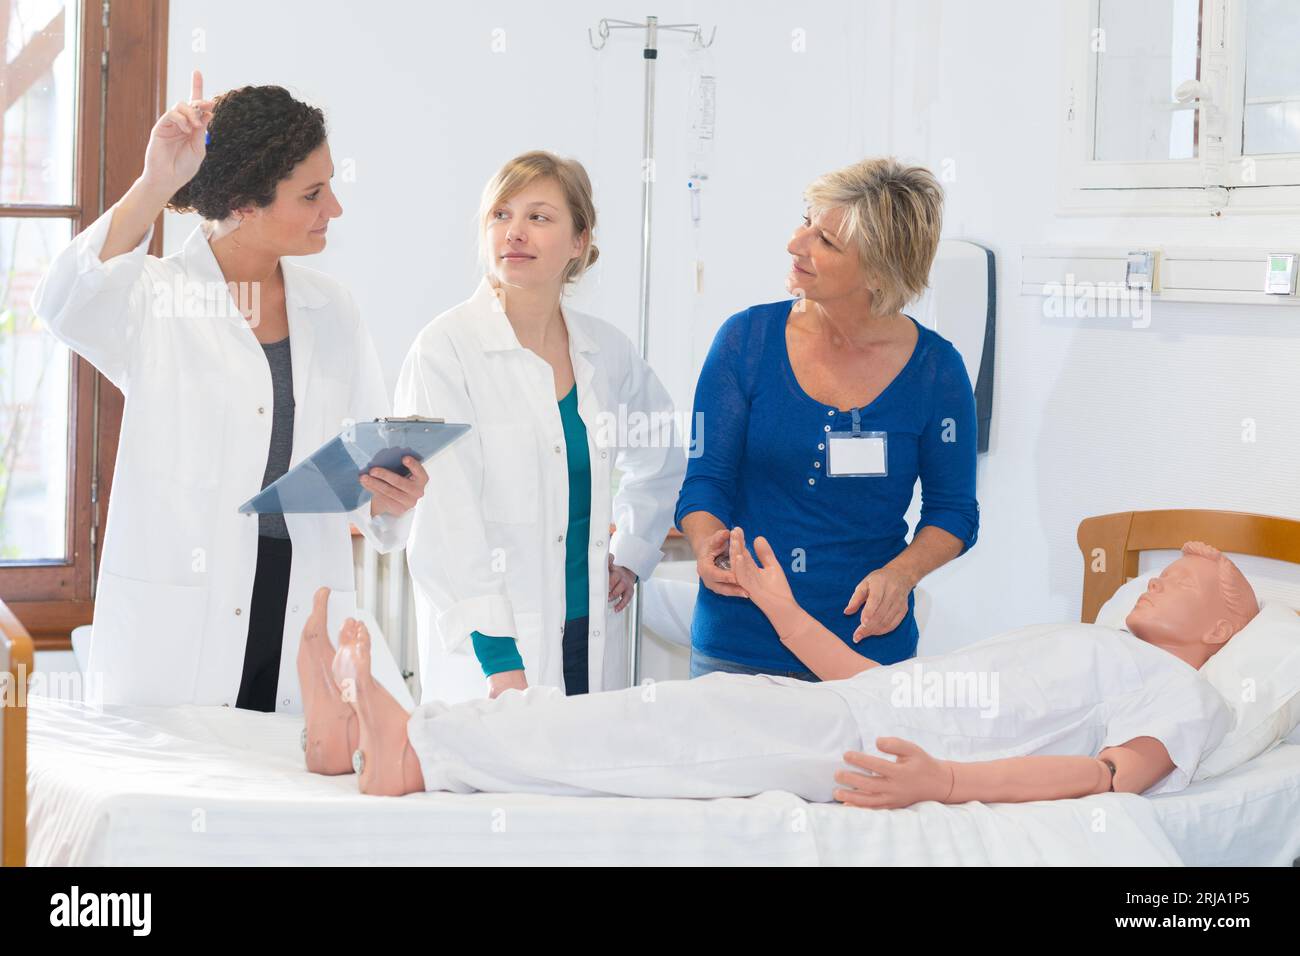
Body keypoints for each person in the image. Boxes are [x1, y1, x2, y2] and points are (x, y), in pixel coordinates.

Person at [297, 537, 1252, 805]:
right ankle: (393, 739)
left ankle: (412, 751)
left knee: (657, 736)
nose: (1163, 573)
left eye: (1193, 576)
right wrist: (785, 612)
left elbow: (1113, 779)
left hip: (878, 752)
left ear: (1228, 627)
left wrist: (946, 784)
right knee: (654, 712)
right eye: (1167, 562)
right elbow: (871, 682)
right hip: (850, 709)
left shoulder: (1181, 693)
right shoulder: (1086, 641)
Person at [32, 72, 424, 711]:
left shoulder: (333, 310)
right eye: (313, 193)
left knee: (292, 790)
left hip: (299, 594)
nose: (335, 210)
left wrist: (392, 498)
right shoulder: (157, 298)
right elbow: (65, 301)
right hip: (186, 610)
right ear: (245, 205)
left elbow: (363, 466)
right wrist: (158, 181)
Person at [393, 151, 685, 703]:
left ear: (579, 241)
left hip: (592, 629)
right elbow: (446, 516)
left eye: (540, 217)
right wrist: (499, 659)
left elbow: (660, 448)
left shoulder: (607, 350)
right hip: (496, 647)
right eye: (500, 215)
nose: (515, 232)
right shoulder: (447, 348)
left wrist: (637, 547)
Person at [675, 157, 979, 680]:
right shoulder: (745, 341)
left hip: (863, 646)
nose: (797, 243)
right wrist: (708, 545)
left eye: (827, 242)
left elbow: (954, 513)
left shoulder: (937, 370)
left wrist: (901, 575)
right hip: (738, 639)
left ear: (881, 272)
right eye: (806, 220)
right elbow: (705, 482)